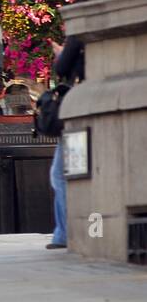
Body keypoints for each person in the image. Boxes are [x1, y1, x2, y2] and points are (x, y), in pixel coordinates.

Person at [47, 36, 84, 250]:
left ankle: (63, 234)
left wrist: (61, 53)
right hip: (90, 111)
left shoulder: (78, 35)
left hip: (77, 113)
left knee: (60, 174)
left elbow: (62, 67)